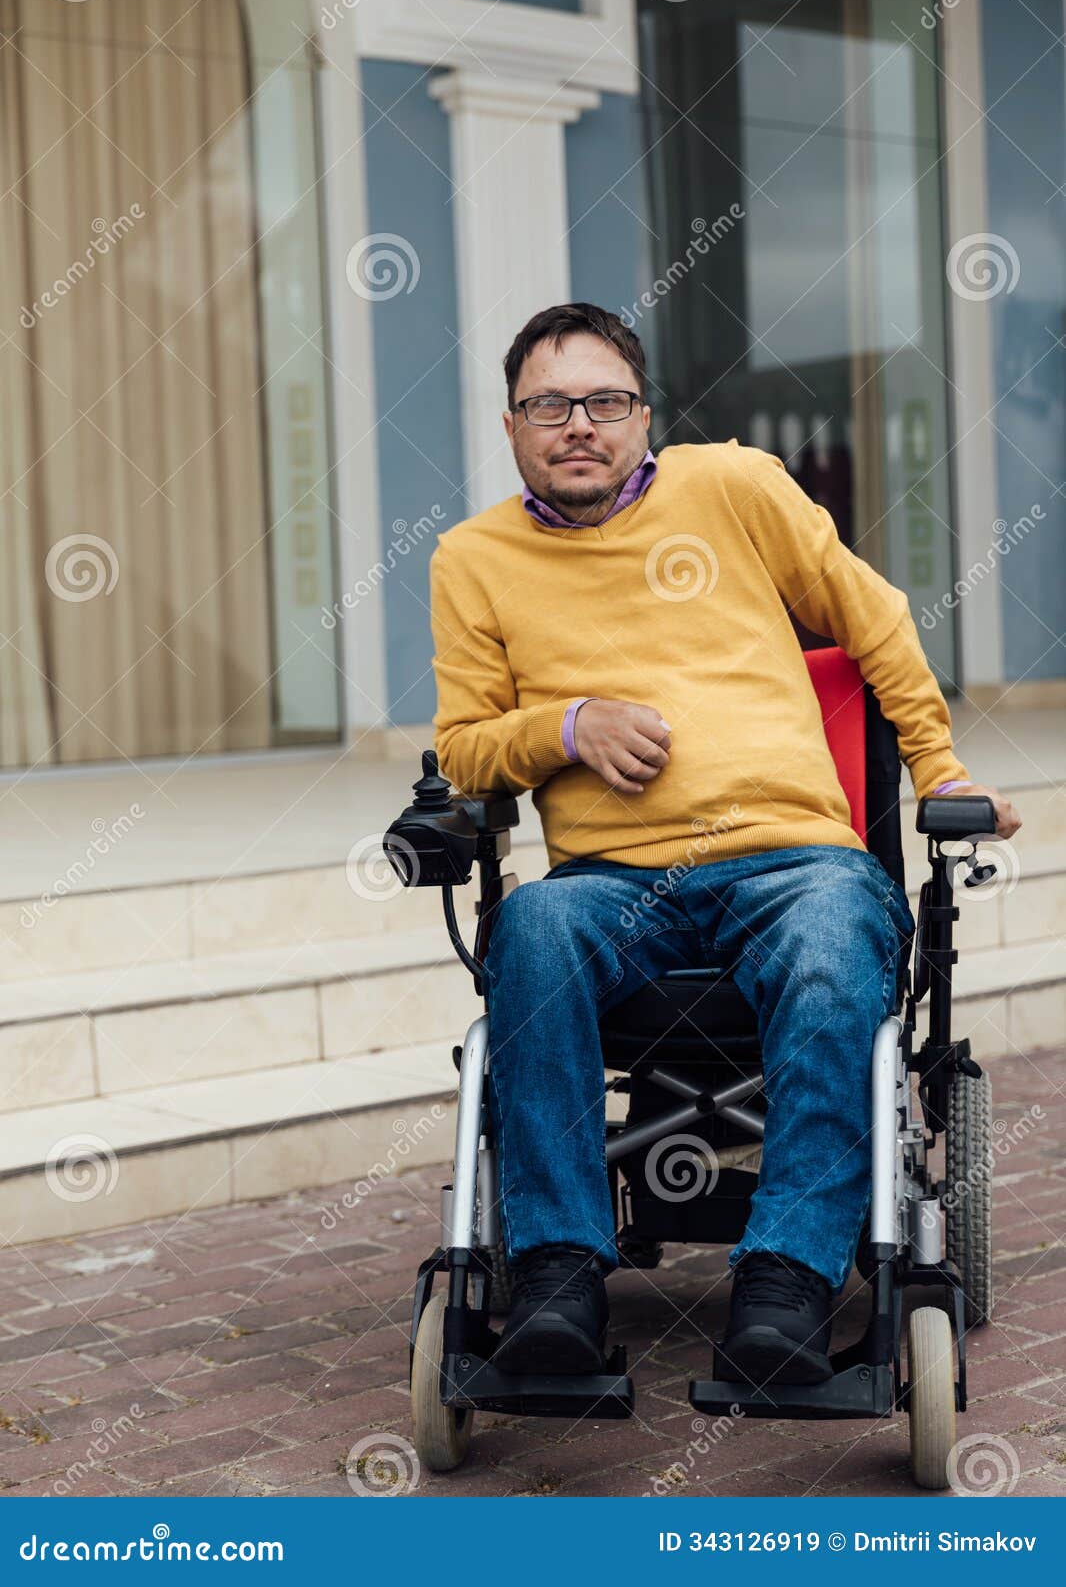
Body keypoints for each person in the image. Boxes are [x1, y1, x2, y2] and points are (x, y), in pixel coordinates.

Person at [428, 302, 1021, 1386]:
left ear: (642, 416)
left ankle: (785, 1279)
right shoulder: (472, 559)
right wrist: (564, 728)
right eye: (548, 404)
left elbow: (872, 617)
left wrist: (939, 770)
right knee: (531, 930)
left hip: (791, 861)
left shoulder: (734, 487)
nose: (577, 425)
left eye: (604, 401)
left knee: (836, 936)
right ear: (510, 425)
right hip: (608, 883)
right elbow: (464, 749)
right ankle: (559, 1274)